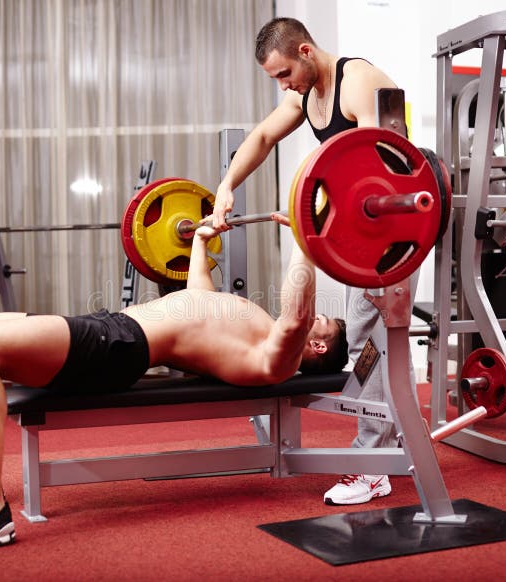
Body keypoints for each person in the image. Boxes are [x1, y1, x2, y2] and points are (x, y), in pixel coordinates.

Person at [0, 222, 347, 556]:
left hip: (119, 348)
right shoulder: (256, 329)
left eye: (322, 321)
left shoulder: (277, 358)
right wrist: (199, 243)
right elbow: (199, 298)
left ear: (318, 345)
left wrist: (303, 238)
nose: (315, 316)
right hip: (111, 328)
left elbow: (295, 314)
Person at [211, 17, 418, 506]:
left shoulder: (359, 81)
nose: (284, 87)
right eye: (276, 79)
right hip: (363, 230)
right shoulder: (305, 94)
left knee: (369, 341)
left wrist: (318, 214)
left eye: (285, 74)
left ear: (306, 51)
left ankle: (372, 465)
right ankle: (404, 442)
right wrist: (226, 186)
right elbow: (263, 138)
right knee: (388, 341)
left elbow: (380, 165)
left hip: (394, 229)